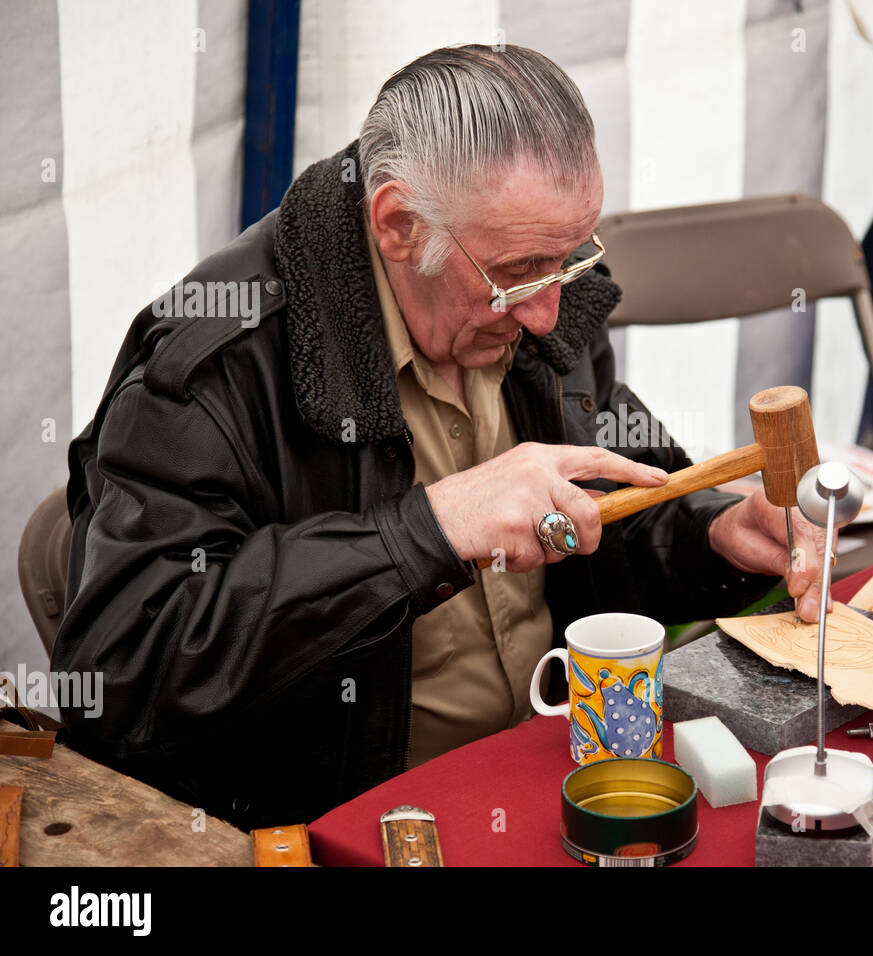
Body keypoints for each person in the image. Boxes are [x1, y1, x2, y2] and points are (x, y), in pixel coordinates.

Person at [51, 44, 827, 830]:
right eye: (517, 274)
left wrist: (717, 533)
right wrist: (429, 529)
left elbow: (620, 508)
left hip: (550, 766)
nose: (550, 316)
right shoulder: (218, 367)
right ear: (396, 223)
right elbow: (120, 675)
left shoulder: (541, 293)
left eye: (568, 262)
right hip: (345, 821)